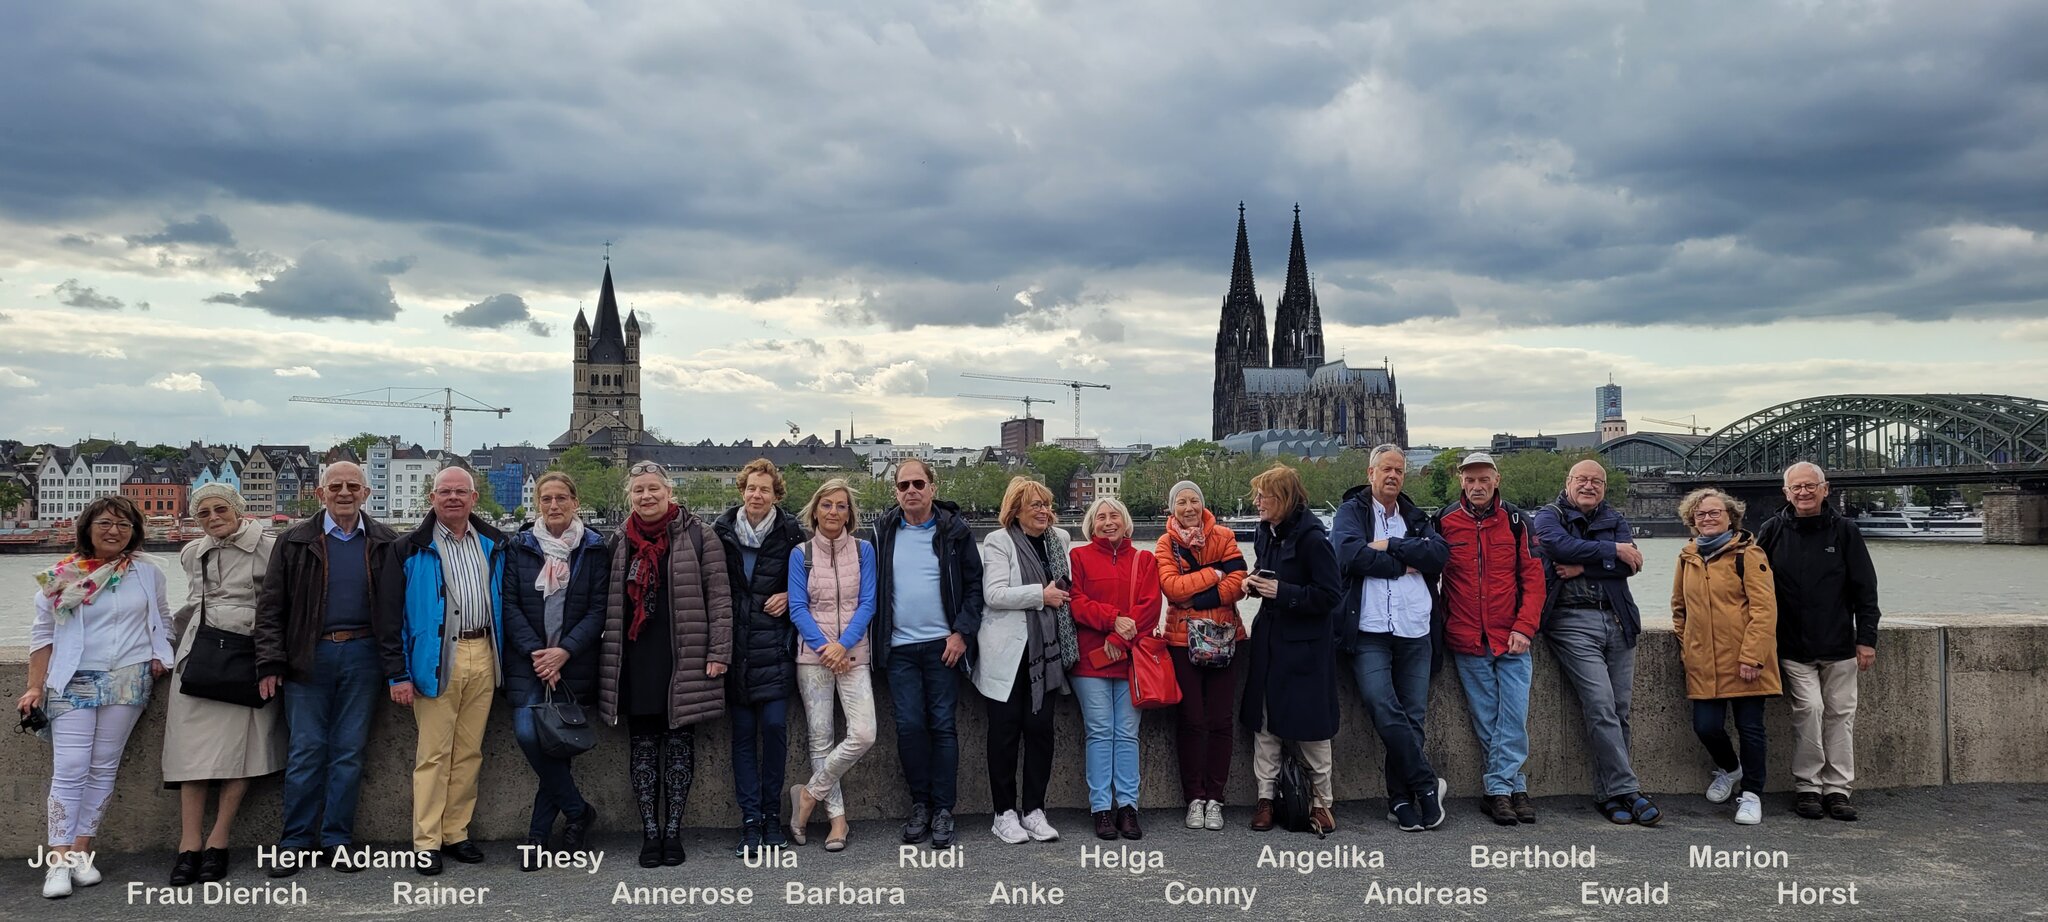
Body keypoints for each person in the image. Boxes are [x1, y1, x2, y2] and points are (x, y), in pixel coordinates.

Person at [255, 461, 401, 877]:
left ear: (366, 493)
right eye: (335, 486)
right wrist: (270, 661)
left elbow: (399, 608)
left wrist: (397, 667)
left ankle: (337, 839)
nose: (344, 493)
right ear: (320, 494)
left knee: (349, 753)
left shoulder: (386, 541)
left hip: (364, 655)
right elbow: (270, 607)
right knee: (305, 750)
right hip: (308, 655)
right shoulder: (294, 541)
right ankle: (295, 841)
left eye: (353, 486)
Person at [22, 495, 172, 899]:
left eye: (124, 525)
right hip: (74, 679)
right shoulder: (61, 576)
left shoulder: (148, 573)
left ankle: (81, 853)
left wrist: (160, 654)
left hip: (128, 679)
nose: (114, 531)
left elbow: (162, 618)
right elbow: (42, 635)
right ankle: (57, 861)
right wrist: (35, 685)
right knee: (70, 768)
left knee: (104, 767)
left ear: (134, 532)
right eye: (105, 523)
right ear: (87, 528)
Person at [599, 461, 733, 868]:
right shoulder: (619, 539)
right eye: (639, 490)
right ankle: (650, 833)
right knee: (642, 746)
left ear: (669, 491)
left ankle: (673, 831)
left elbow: (719, 597)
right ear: (630, 496)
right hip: (635, 656)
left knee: (679, 744)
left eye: (654, 488)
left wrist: (718, 653)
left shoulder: (699, 535)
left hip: (684, 655)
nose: (647, 496)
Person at [384, 467, 508, 876]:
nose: (453, 497)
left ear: (474, 499)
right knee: (433, 754)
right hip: (435, 657)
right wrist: (398, 673)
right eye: (444, 491)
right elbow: (390, 618)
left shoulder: (493, 544)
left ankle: (456, 832)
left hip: (483, 651)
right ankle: (426, 841)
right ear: (432, 498)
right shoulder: (408, 549)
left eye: (460, 491)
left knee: (469, 751)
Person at [163, 484, 285, 886]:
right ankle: (188, 844)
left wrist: (274, 658)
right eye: (204, 513)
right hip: (198, 657)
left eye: (221, 509)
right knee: (189, 754)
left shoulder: (271, 548)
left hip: (249, 657)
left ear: (238, 509)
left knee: (242, 752)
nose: (213, 518)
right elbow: (190, 605)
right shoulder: (191, 553)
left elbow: (281, 606)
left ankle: (218, 839)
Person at [1531, 459, 1662, 826]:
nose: (1589, 486)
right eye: (1583, 479)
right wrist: (1612, 551)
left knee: (1619, 709)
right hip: (1571, 621)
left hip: (1618, 619)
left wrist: (1585, 566)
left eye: (1597, 481)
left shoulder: (1614, 518)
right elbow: (1559, 547)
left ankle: (1609, 795)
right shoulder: (1549, 516)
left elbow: (1631, 565)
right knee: (1601, 705)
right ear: (1568, 482)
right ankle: (1629, 789)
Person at [1330, 444, 1449, 832]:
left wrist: (1391, 545)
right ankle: (1427, 784)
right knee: (1382, 705)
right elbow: (1349, 555)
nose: (1393, 475)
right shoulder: (1351, 512)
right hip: (1370, 630)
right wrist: (1405, 565)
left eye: (1399, 470)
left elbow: (1439, 555)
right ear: (1371, 473)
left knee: (1413, 716)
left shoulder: (1414, 516)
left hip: (1416, 628)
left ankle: (1399, 799)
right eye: (1386, 469)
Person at [1754, 462, 1879, 821]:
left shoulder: (1846, 531)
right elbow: (1754, 585)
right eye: (1796, 487)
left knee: (1841, 715)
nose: (1804, 493)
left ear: (1826, 489)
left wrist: (1866, 639)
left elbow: (1865, 589)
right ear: (1786, 493)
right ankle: (1808, 786)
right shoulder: (1772, 530)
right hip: (1792, 645)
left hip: (1839, 644)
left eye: (1811, 486)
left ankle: (1838, 789)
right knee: (1809, 710)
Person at [869, 458, 983, 850]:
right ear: (896, 492)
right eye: (904, 485)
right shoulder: (883, 531)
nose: (911, 491)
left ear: (933, 487)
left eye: (918, 483)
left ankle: (944, 809)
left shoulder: (955, 530)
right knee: (909, 727)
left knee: (943, 726)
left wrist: (961, 633)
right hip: (899, 648)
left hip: (943, 647)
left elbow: (974, 587)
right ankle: (920, 804)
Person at [501, 472, 607, 869]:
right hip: (529, 663)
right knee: (529, 734)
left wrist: (564, 652)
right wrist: (539, 655)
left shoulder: (593, 548)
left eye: (562, 497)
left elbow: (598, 609)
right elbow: (509, 605)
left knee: (555, 745)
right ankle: (578, 811)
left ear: (575, 502)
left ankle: (538, 837)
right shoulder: (520, 546)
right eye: (546, 498)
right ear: (537, 504)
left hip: (573, 664)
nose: (554, 505)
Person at [1432, 453, 1544, 826]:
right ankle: (1512, 789)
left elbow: (1534, 579)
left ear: (1497, 480)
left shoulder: (1517, 522)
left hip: (1511, 637)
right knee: (1487, 721)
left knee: (1513, 717)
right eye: (1470, 480)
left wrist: (1524, 627)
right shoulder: (1444, 521)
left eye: (1483, 479)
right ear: (1461, 481)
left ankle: (1498, 789)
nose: (1476, 486)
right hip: (1467, 638)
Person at [1240, 464, 1342, 835]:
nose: (1257, 502)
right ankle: (1265, 799)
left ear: (1282, 499)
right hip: (1270, 640)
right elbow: (1265, 570)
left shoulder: (1314, 539)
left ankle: (1322, 803)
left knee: (1312, 728)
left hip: (1305, 648)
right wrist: (1254, 583)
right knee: (1265, 723)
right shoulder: (1264, 532)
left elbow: (1330, 594)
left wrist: (1283, 592)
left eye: (1263, 496)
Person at [712, 459, 806, 856]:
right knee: (743, 737)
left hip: (774, 648)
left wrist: (790, 594)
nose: (757, 495)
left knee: (774, 729)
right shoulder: (720, 532)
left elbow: (812, 582)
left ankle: (771, 816)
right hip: (736, 649)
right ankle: (750, 821)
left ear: (776, 495)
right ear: (742, 490)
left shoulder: (791, 533)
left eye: (764, 489)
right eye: (751, 488)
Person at [1672, 488, 1780, 826]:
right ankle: (1731, 769)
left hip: (1744, 660)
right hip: (1703, 660)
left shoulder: (1748, 554)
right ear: (1693, 520)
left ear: (1731, 517)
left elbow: (1764, 609)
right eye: (1700, 514)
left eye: (1714, 512)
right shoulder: (1687, 557)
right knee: (1706, 727)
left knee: (1750, 729)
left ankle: (1751, 794)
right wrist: (1688, 646)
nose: (1707, 518)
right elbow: (1679, 609)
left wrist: (1752, 656)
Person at [784, 478, 879, 853]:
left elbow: (868, 603)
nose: (834, 512)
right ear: (815, 510)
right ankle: (838, 819)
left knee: (864, 733)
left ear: (850, 513)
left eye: (841, 506)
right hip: (813, 657)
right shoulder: (801, 554)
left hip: (853, 654)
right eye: (827, 505)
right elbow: (797, 608)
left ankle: (808, 794)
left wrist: (843, 646)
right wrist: (827, 648)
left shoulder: (864, 551)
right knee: (820, 738)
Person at [976, 476, 1072, 845]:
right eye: (1035, 505)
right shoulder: (999, 541)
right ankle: (1003, 813)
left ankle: (1034, 810)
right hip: (1009, 652)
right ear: (1016, 510)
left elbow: (1066, 589)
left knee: (1041, 732)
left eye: (1046, 504)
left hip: (1046, 652)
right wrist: (1040, 596)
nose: (1044, 511)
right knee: (1004, 734)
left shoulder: (1060, 540)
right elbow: (994, 593)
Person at [1155, 480, 1246, 833]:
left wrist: (1201, 597)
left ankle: (1215, 798)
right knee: (1191, 720)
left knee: (1221, 720)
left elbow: (1240, 582)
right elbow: (1171, 588)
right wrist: (1215, 573)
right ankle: (1194, 797)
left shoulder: (1224, 535)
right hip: (1181, 641)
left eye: (1194, 500)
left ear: (1202, 505)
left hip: (1223, 636)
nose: (1189, 507)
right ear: (1172, 508)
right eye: (1181, 502)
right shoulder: (1165, 543)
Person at [1068, 497, 1161, 841]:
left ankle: (1127, 807)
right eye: (1101, 517)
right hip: (1090, 660)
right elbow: (1076, 602)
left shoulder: (1144, 559)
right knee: (1099, 731)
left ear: (1125, 521)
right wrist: (1112, 620)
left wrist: (1119, 639)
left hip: (1130, 659)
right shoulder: (1078, 557)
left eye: (1114, 516)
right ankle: (1101, 808)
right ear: (1091, 525)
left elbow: (1150, 607)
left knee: (1126, 733)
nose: (1108, 522)